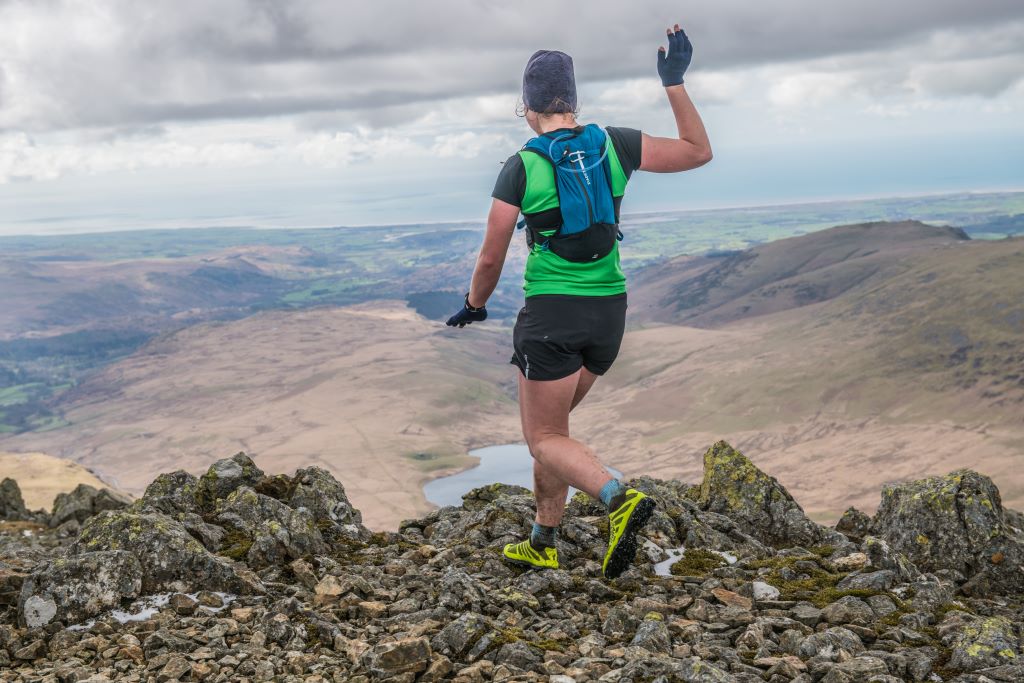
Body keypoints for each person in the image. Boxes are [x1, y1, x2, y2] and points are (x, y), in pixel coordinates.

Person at [446, 24, 712, 579]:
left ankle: (618, 498)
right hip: (608, 314)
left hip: (553, 317)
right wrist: (674, 82)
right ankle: (543, 539)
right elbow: (697, 152)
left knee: (542, 437)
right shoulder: (614, 144)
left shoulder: (523, 166)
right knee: (553, 435)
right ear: (574, 101)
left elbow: (490, 258)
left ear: (526, 107)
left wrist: (474, 304)